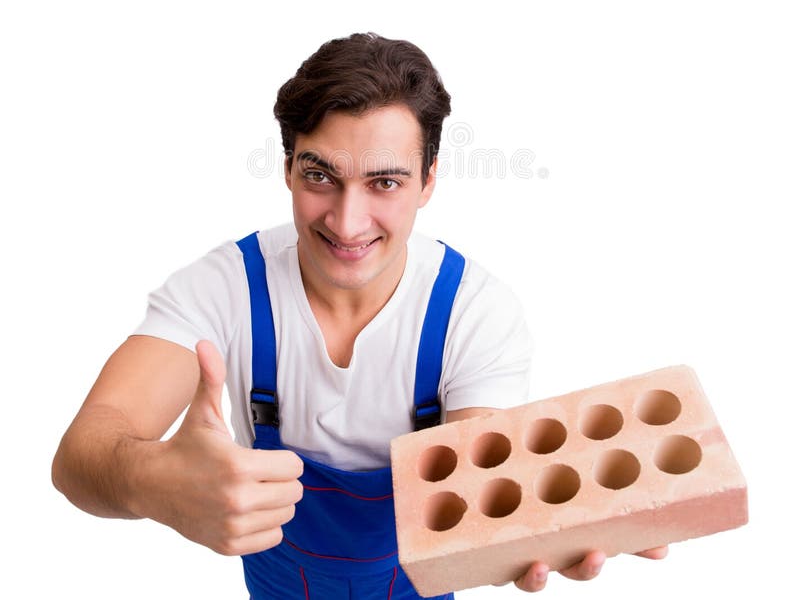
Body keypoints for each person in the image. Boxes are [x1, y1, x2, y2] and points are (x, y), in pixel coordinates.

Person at [52, 33, 666, 598]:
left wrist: (542, 524)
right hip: (281, 583)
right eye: (321, 175)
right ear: (288, 167)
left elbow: (483, 493)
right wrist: (149, 479)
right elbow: (80, 455)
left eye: (385, 183)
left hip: (416, 587)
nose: (347, 223)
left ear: (428, 181)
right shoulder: (224, 288)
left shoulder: (474, 312)